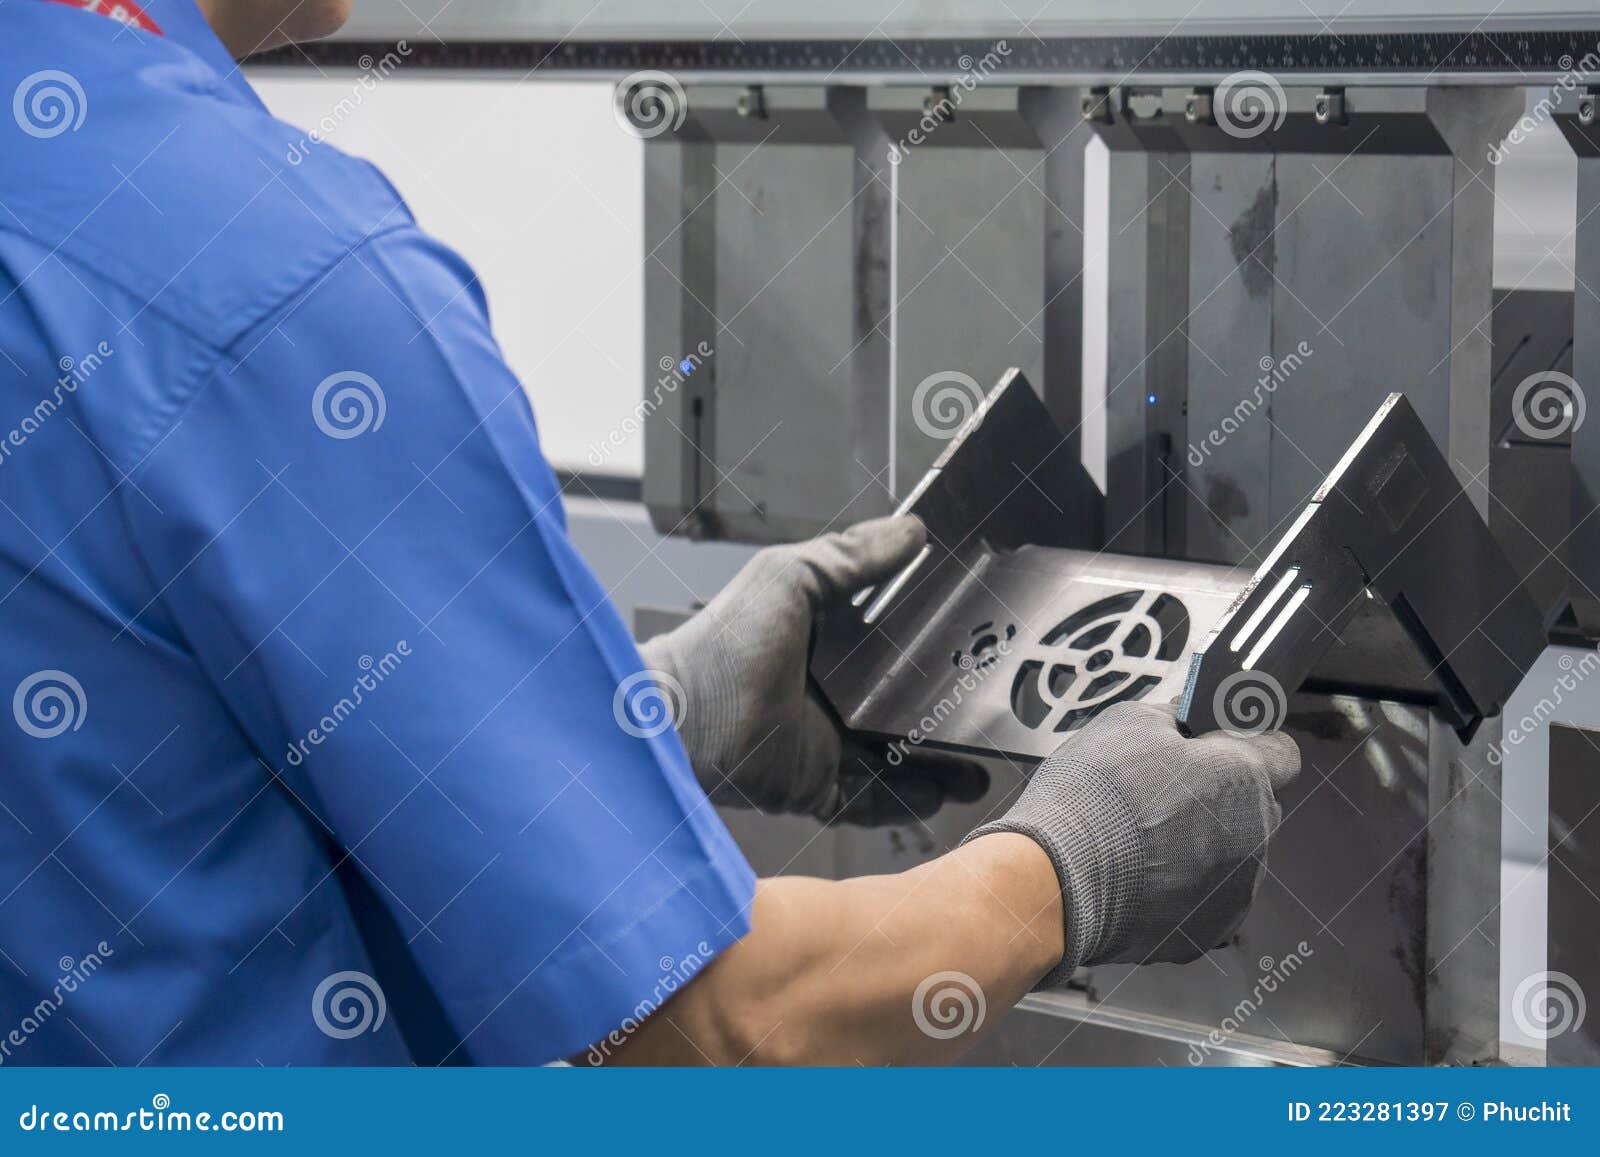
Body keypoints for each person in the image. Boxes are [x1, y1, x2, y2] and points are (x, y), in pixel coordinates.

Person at [0, 0, 1300, 1066]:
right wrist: (1075, 868)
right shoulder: (276, 279)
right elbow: (716, 1031)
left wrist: (639, 715)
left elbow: (133, 764)